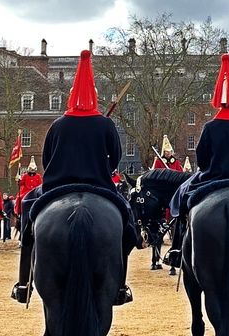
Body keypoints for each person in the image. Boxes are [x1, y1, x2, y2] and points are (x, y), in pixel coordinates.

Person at [10, 49, 139, 305]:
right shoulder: (105, 124)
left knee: (27, 209)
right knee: (126, 221)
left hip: (58, 186)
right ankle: (120, 286)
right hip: (99, 186)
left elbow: (47, 160)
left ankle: (23, 282)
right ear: (94, 97)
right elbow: (115, 159)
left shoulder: (58, 125)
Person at [165, 54, 229, 269]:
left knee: (181, 198)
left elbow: (202, 158)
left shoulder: (210, 127)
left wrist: (209, 168)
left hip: (213, 177)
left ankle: (177, 247)